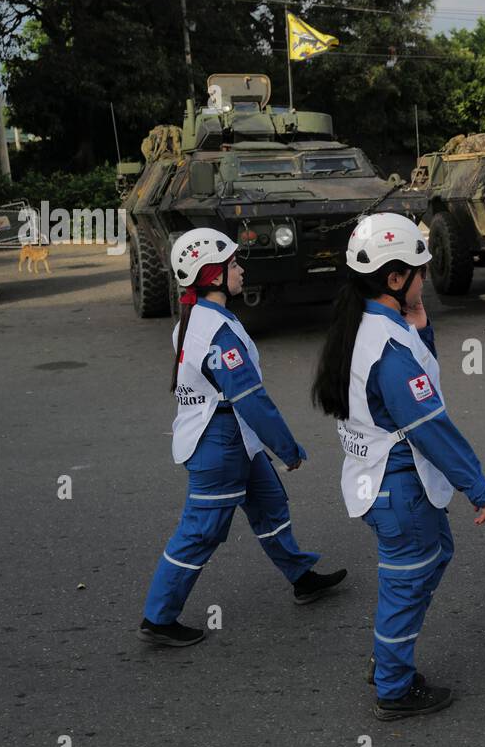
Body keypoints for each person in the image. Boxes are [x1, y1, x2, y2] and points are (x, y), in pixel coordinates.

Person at [313, 212, 485, 720]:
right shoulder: (388, 348)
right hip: (398, 489)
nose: (426, 278)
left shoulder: (368, 324)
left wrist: (422, 324)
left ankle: (390, 656)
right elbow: (430, 423)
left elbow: (422, 376)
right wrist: (476, 485)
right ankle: (393, 685)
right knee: (407, 580)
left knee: (432, 558)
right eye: (419, 270)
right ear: (395, 279)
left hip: (381, 480)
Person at [140, 227, 343, 648]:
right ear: (211, 275)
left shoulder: (196, 316)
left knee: (270, 506)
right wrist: (287, 448)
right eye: (233, 264)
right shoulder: (217, 333)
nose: (241, 269)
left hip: (230, 437)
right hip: (220, 443)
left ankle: (301, 577)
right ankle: (159, 617)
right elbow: (251, 399)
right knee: (200, 532)